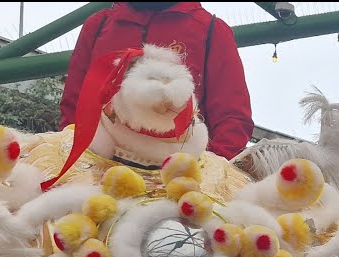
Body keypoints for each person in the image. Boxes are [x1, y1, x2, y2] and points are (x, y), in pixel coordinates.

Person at [61, 2, 255, 160]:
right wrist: (76, 160)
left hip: (175, 177)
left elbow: (232, 115)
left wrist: (204, 174)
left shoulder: (212, 30)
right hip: (95, 165)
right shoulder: (99, 24)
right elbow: (74, 103)